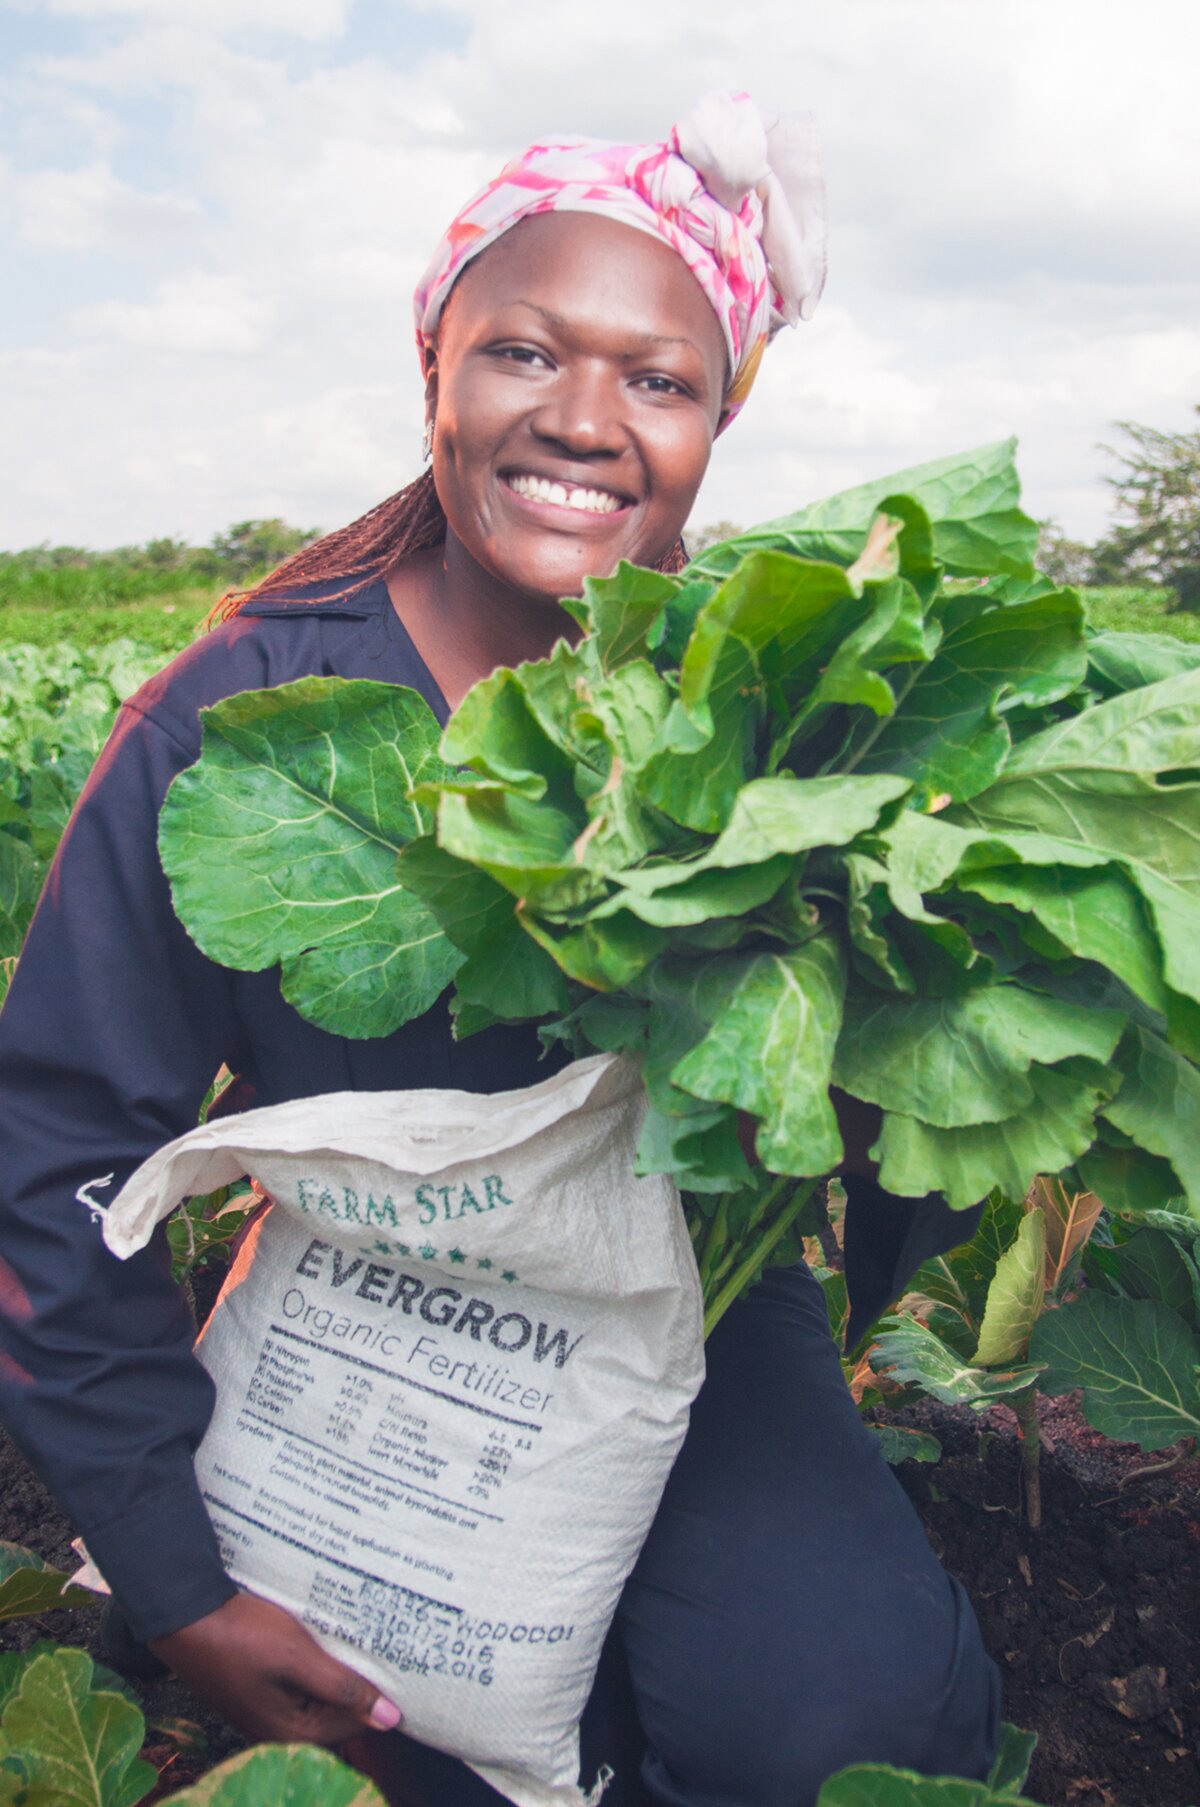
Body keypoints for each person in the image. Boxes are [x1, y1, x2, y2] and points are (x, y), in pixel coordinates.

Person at [0, 93, 999, 1807]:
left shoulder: (793, 697)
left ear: (718, 418)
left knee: (833, 1715)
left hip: (686, 1311)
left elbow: (920, 1139)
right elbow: (58, 1151)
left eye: (662, 379)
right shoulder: (244, 713)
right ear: (437, 371)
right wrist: (172, 1585)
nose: (587, 421)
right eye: (526, 353)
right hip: (359, 1303)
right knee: (442, 1752)